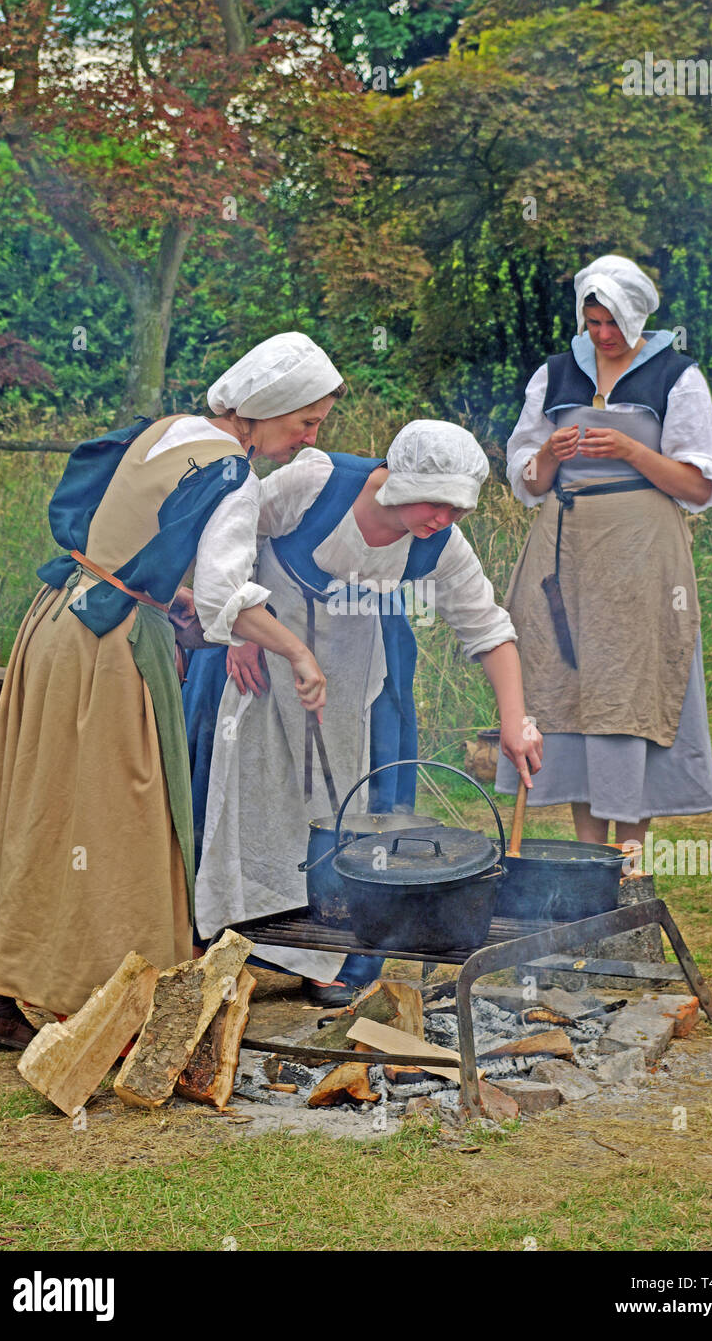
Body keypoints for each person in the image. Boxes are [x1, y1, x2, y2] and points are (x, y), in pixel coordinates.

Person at [0, 332, 341, 1045]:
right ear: (264, 410)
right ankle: (99, 1012)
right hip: (107, 653)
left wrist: (170, 597)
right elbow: (231, 593)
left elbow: (125, 544)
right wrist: (297, 653)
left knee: (39, 806)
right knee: (112, 825)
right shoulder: (232, 473)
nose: (306, 438)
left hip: (56, 624)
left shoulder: (169, 432)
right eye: (305, 421)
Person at [187, 419, 544, 1005]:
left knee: (341, 802)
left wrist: (513, 719)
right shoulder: (316, 484)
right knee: (247, 789)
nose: (443, 519)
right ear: (401, 478)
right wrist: (238, 629)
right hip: (262, 649)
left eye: (458, 509)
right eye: (436, 502)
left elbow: (486, 626)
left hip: (354, 664)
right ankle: (224, 936)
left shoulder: (441, 545)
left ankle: (324, 950)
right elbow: (229, 536)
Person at [496, 254, 712, 850]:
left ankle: (633, 859)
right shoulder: (554, 373)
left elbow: (700, 487)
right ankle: (589, 858)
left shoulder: (675, 375)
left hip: (642, 552)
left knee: (630, 688)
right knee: (568, 689)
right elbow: (526, 481)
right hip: (564, 549)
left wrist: (630, 450)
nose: (603, 336)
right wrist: (549, 455)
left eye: (613, 323)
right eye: (592, 322)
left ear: (639, 317)